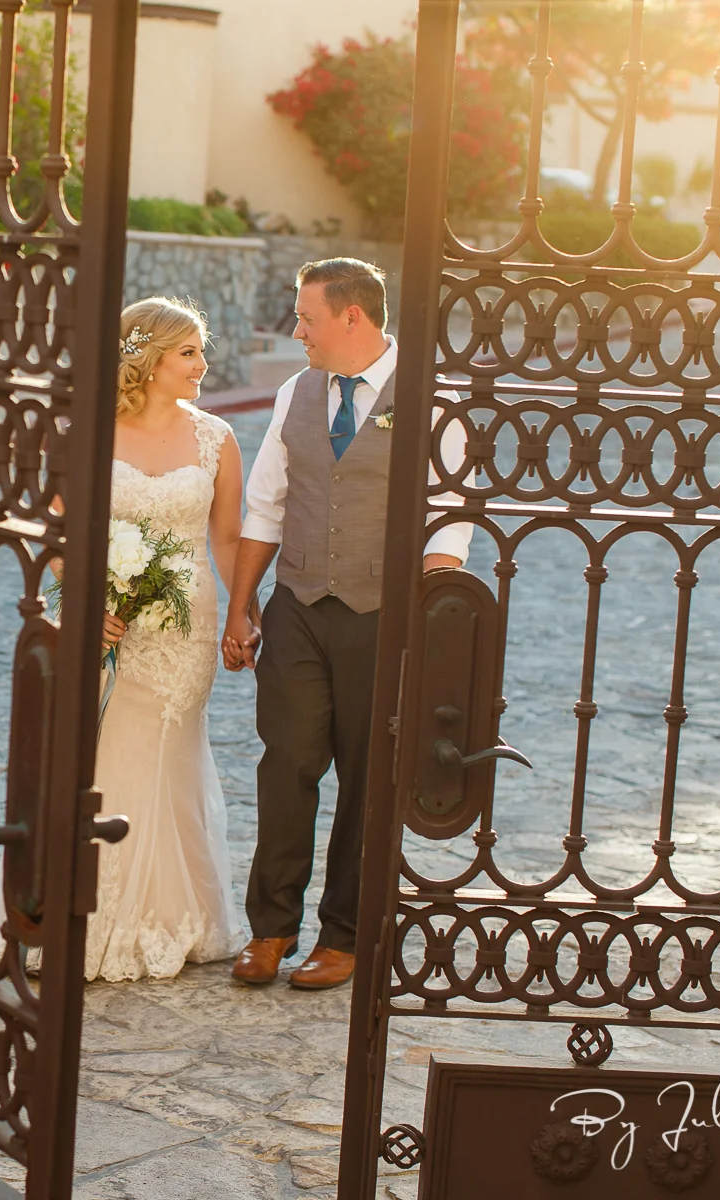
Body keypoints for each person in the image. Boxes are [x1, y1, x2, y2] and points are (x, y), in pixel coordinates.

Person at [0, 296, 244, 981]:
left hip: (185, 624)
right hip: (101, 617)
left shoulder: (217, 438)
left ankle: (160, 915)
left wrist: (245, 609)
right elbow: (56, 530)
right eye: (188, 353)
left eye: (199, 351)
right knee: (89, 755)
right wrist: (91, 596)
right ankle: (65, 909)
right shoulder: (82, 432)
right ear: (147, 358)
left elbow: (226, 536)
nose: (202, 366)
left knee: (165, 751)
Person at [222, 258, 470, 990]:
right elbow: (265, 506)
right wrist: (242, 606)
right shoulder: (299, 390)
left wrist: (425, 624)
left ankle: (344, 936)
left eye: (307, 318)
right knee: (286, 763)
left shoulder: (431, 398)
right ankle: (269, 930)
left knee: (368, 777)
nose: (296, 331)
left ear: (352, 317)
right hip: (299, 605)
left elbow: (450, 524)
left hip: (381, 613)